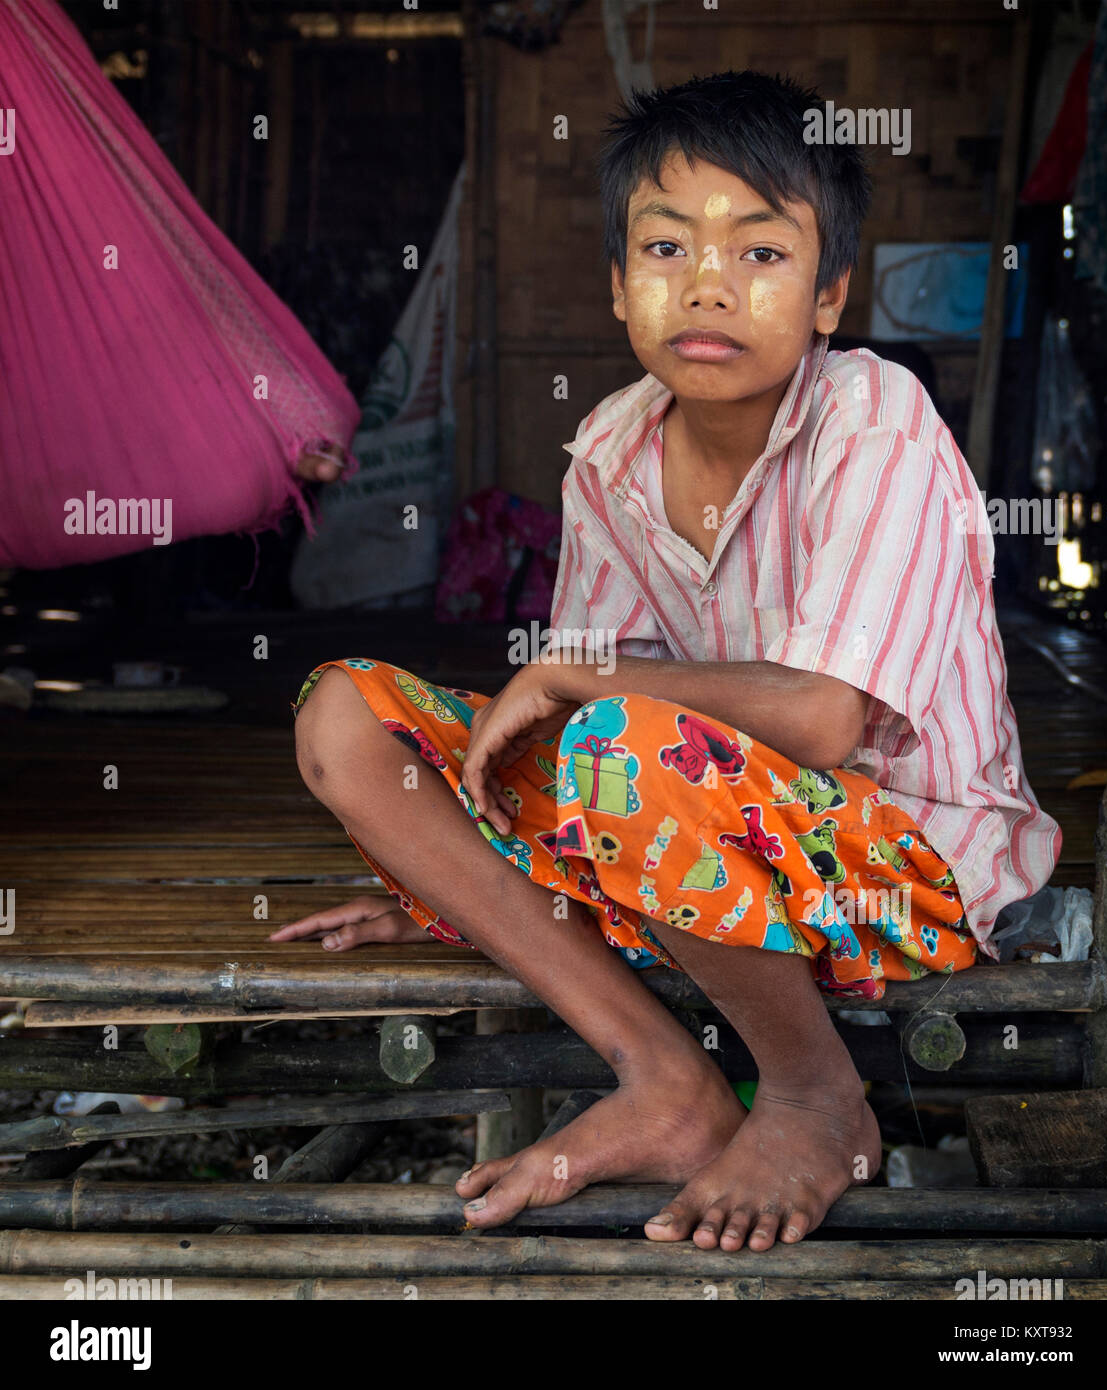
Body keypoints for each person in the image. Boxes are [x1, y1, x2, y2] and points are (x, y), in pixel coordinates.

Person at [278, 71, 1062, 1253]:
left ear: (828, 292)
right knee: (346, 713)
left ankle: (812, 1095)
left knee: (608, 742)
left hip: (904, 871)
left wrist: (581, 688)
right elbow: (574, 734)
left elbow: (820, 719)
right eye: (663, 246)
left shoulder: (876, 420)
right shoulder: (608, 447)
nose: (705, 282)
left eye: (759, 253)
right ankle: (666, 1079)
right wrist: (462, 876)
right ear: (616, 283)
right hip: (690, 843)